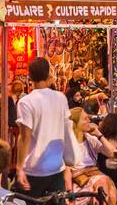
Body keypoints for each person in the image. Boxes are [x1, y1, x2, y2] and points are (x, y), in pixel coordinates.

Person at [13, 57, 74, 197]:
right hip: (57, 166)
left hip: (35, 168)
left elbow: (25, 137)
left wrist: (19, 168)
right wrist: (67, 167)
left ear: (30, 77)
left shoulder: (26, 102)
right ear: (49, 74)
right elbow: (66, 131)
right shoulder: (60, 98)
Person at [67, 108, 117, 205]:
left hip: (94, 176)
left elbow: (112, 153)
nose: (89, 121)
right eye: (85, 119)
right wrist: (69, 194)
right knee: (103, 182)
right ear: (75, 123)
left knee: (110, 190)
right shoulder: (67, 143)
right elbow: (66, 171)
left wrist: (99, 135)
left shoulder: (90, 139)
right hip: (79, 181)